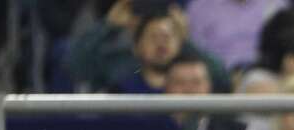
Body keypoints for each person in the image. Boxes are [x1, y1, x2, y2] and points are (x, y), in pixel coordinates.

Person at [67, 1, 230, 93]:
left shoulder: (187, 72)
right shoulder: (118, 66)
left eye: (167, 37)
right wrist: (108, 26)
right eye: (153, 37)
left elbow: (222, 79)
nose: (161, 43)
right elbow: (74, 65)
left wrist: (185, 38)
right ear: (137, 45)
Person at [185, 0, 289, 71]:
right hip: (218, 73)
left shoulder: (276, 5)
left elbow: (282, 49)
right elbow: (196, 50)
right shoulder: (201, 7)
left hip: (264, 72)